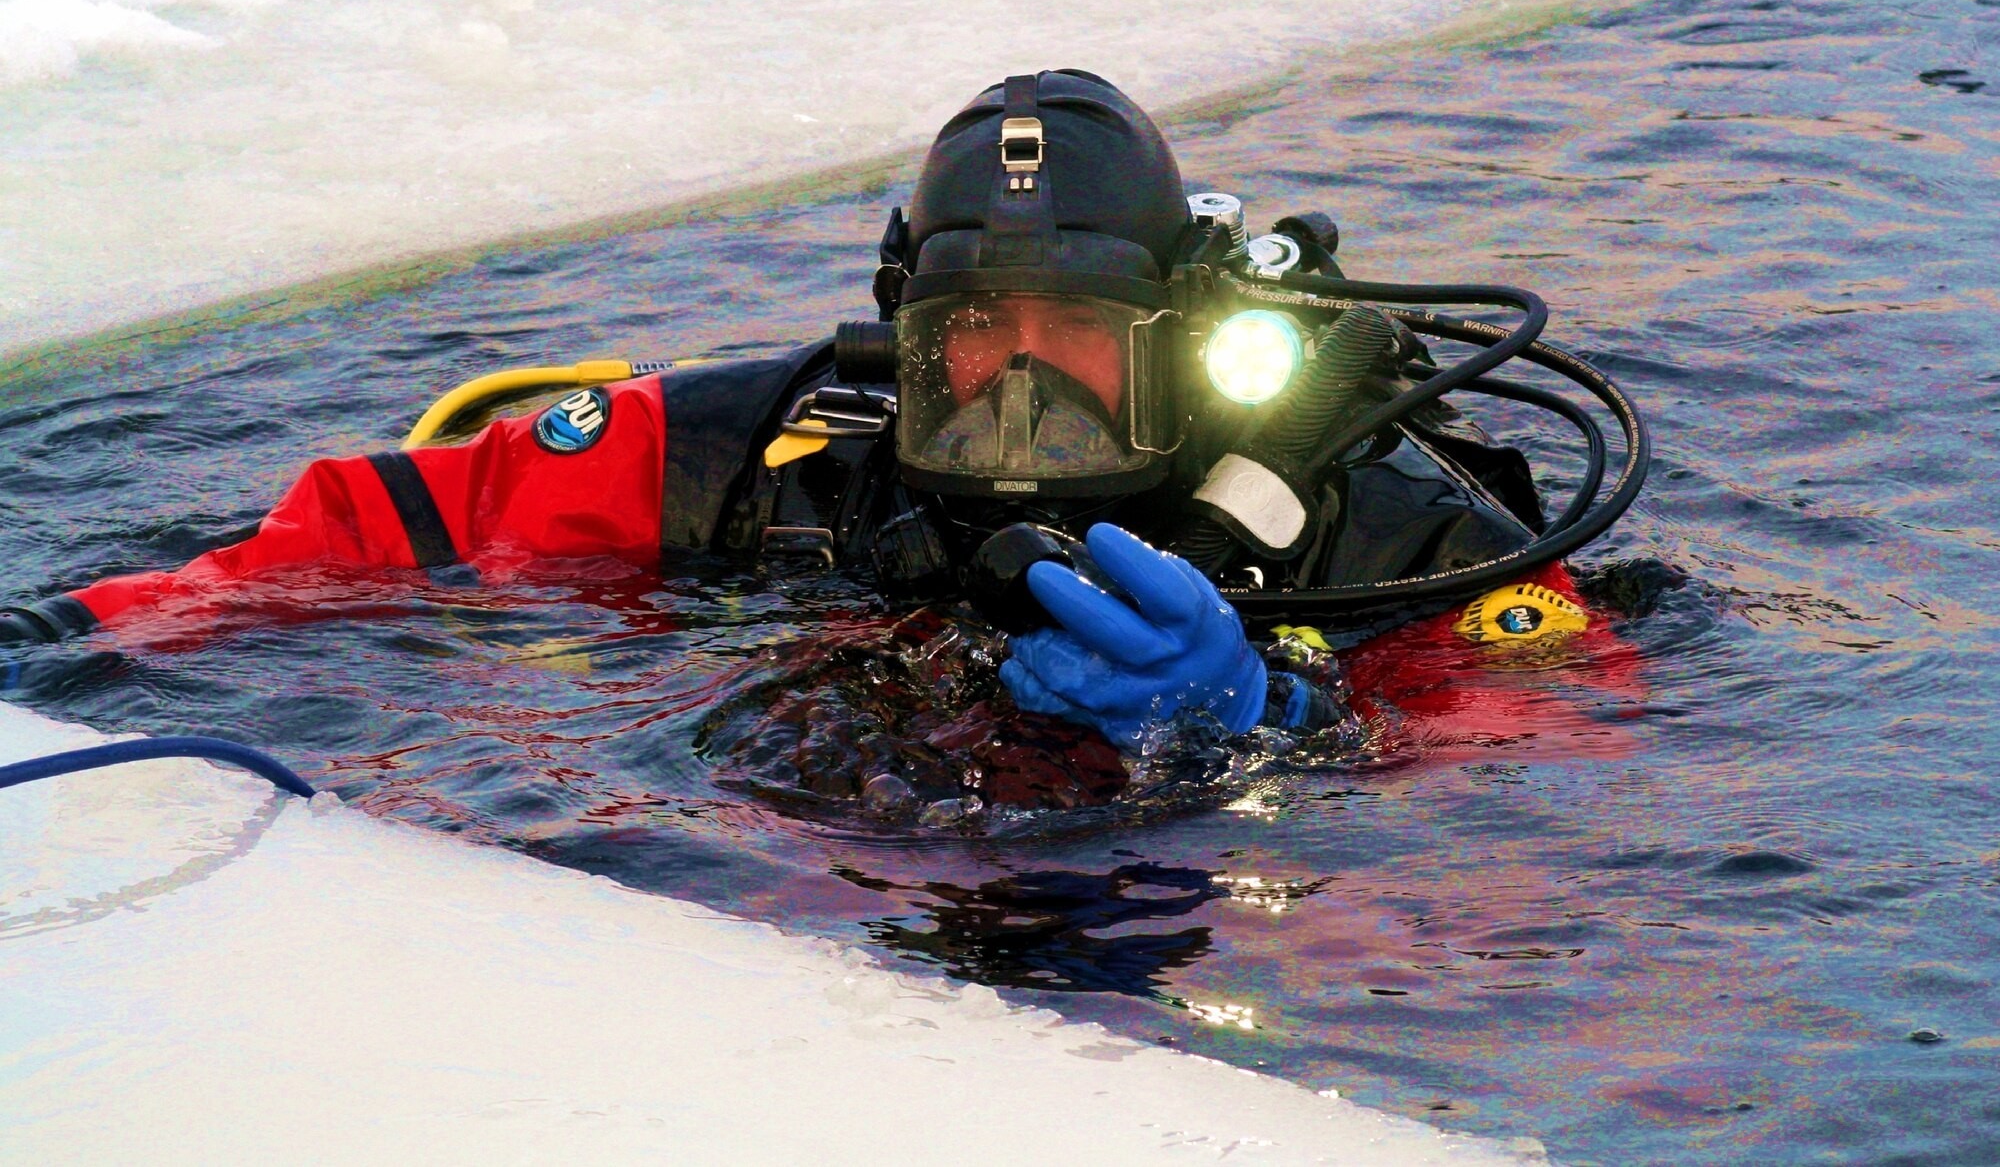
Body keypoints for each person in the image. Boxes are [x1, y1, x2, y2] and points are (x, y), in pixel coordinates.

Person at [0, 70, 1648, 809]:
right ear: (896, 331)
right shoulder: (778, 450)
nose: (1018, 395)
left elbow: (1576, 760)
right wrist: (65, 634)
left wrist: (1278, 717)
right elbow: (366, 534)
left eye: (1078, 352)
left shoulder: (1376, 522)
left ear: (1185, 345)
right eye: (970, 345)